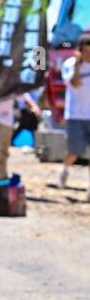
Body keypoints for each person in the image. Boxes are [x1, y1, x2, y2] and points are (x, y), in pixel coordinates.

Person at [58, 33, 90, 195]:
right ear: (79, 51)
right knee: (75, 152)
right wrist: (78, 64)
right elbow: (74, 83)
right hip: (76, 115)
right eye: (86, 51)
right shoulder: (70, 64)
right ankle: (64, 170)